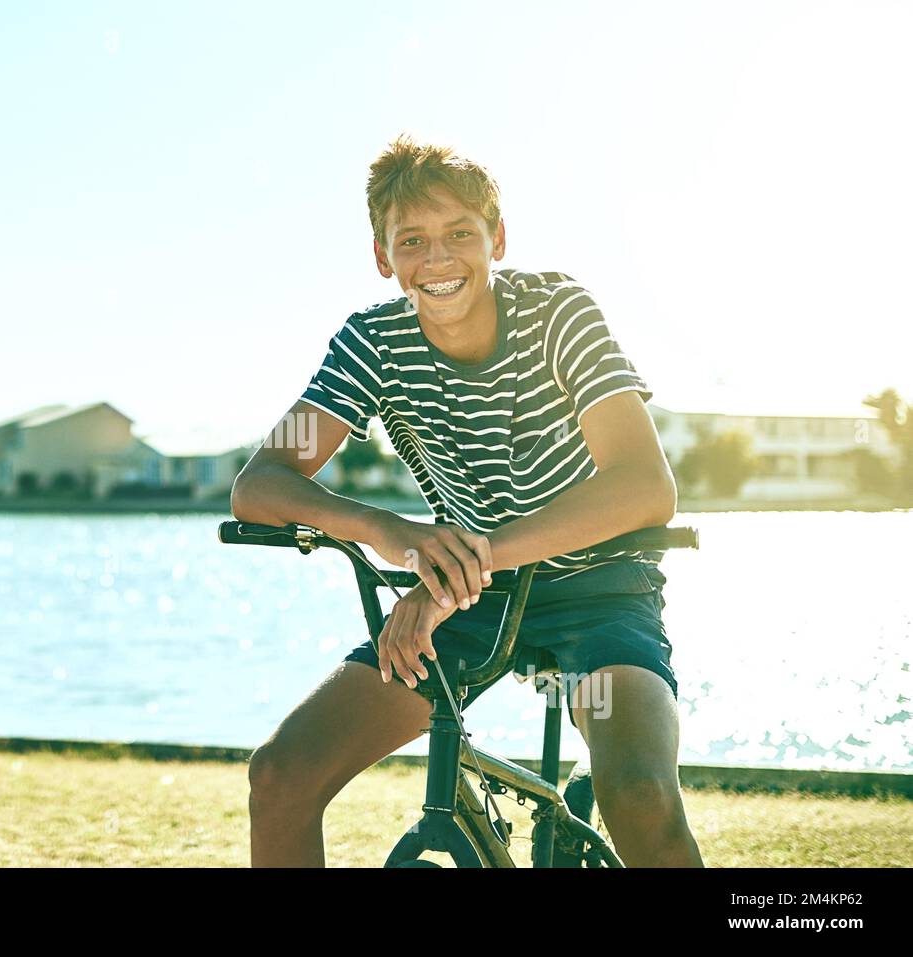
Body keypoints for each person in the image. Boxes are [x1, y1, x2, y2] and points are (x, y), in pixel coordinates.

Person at [230, 134, 704, 867]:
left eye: (460, 234)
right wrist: (385, 529)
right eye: (412, 240)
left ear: (498, 239)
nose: (438, 258)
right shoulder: (368, 343)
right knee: (281, 774)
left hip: (599, 587)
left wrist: (458, 568)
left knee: (638, 790)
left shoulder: (561, 310)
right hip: (464, 598)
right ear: (383, 257)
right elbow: (259, 482)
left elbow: (645, 486)